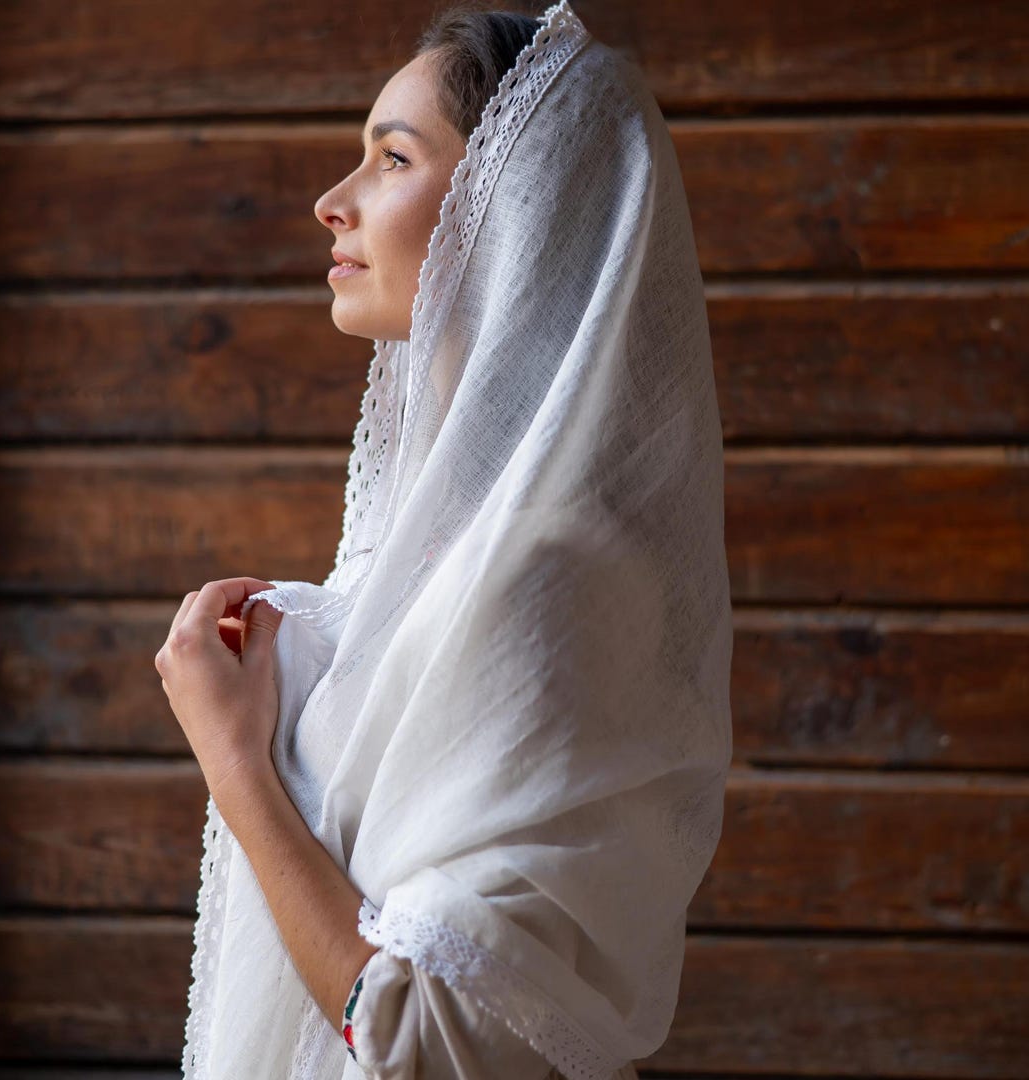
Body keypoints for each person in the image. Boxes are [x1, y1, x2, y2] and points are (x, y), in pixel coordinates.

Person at [154, 1, 734, 1077]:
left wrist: (234, 757)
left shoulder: (547, 574)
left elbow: (428, 1038)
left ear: (515, 209)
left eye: (392, 159)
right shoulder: (425, 557)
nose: (334, 204)